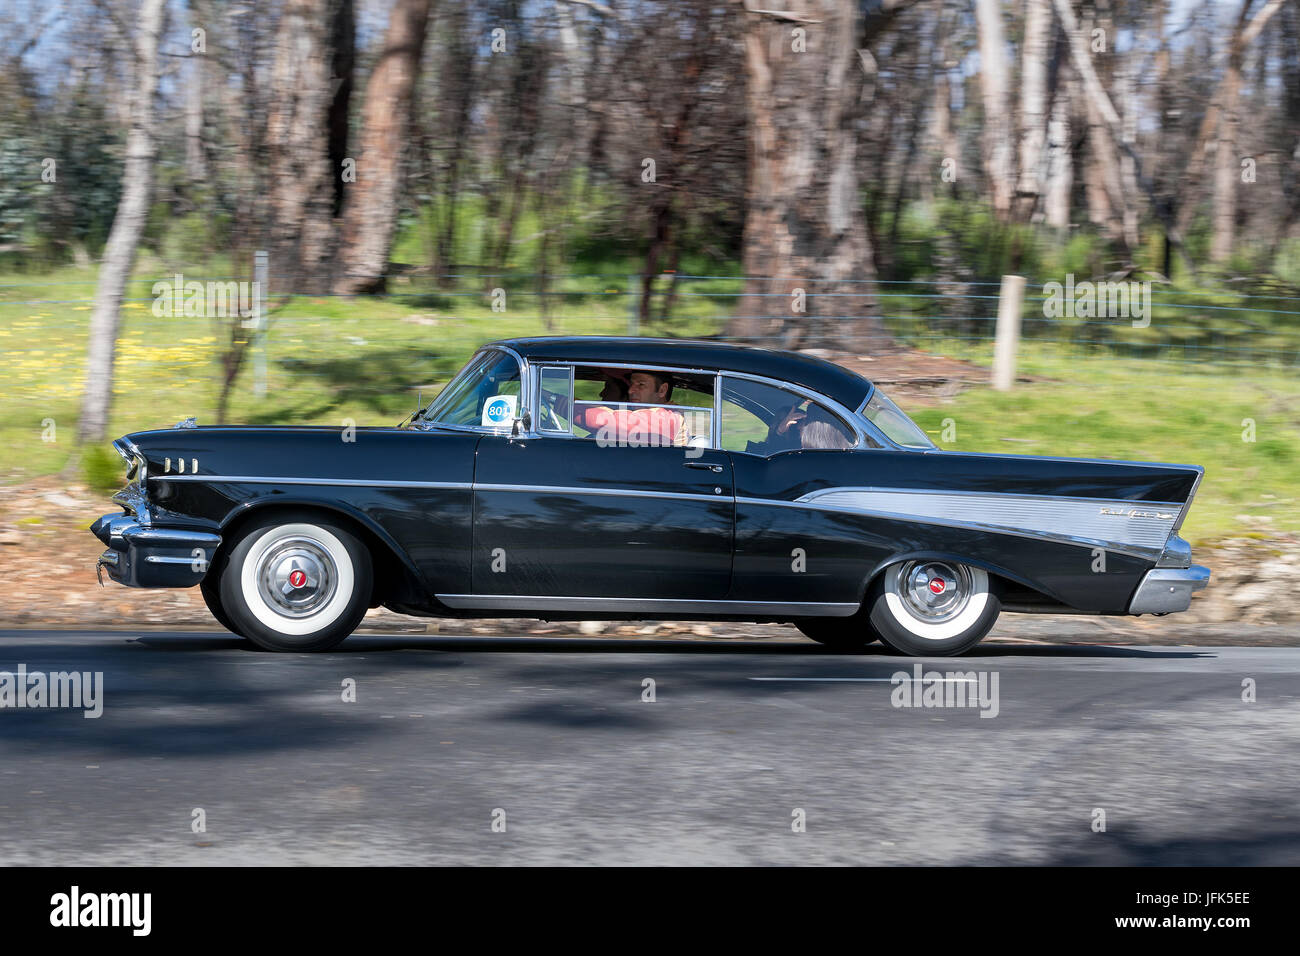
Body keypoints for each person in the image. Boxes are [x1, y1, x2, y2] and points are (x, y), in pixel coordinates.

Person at [572, 370, 687, 447]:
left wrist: (558, 401)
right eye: (631, 384)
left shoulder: (669, 418)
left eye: (641, 384)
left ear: (662, 390)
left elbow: (605, 421)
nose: (630, 390)